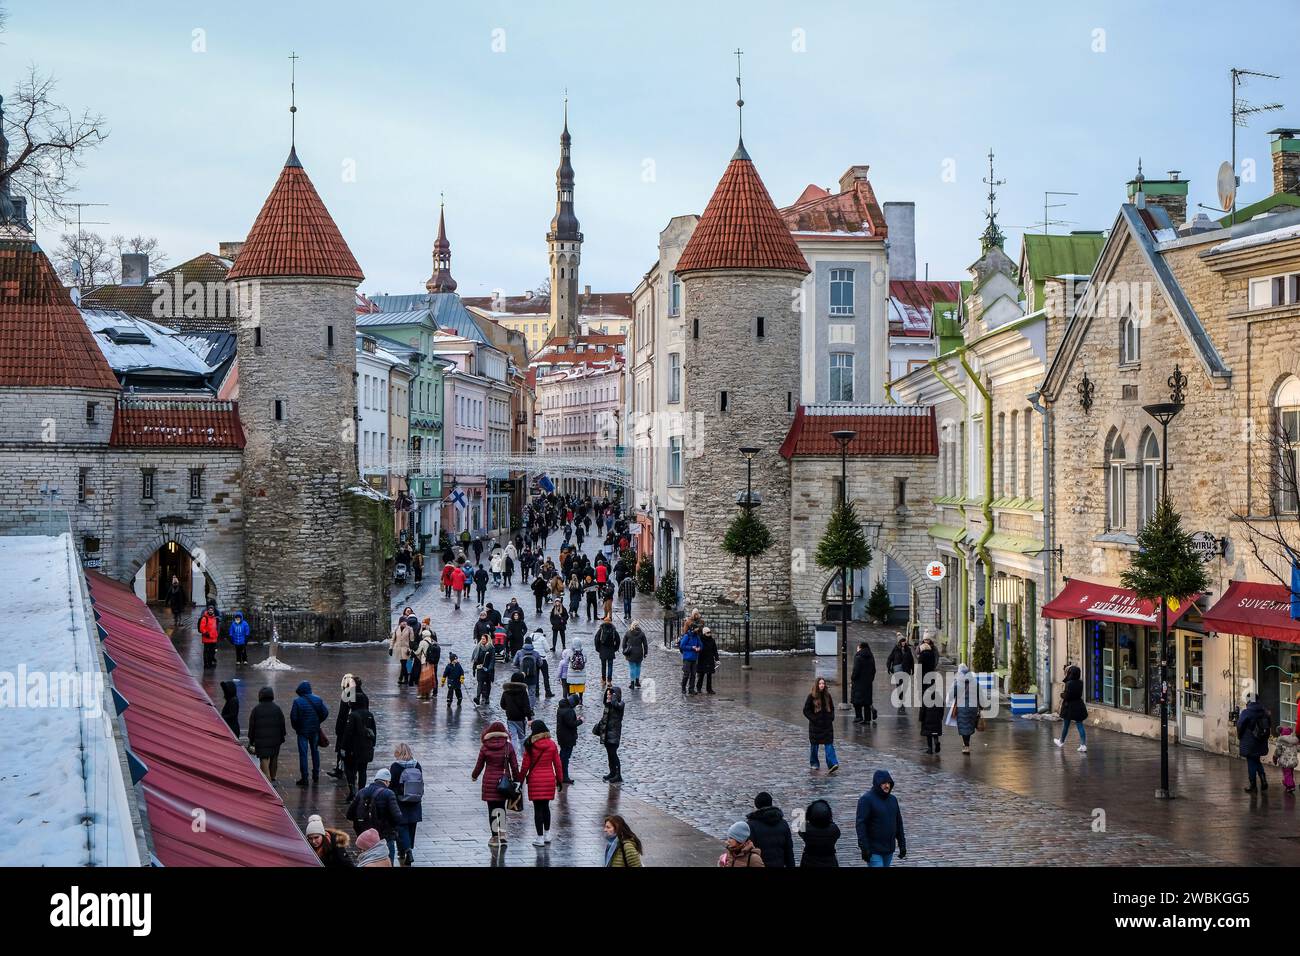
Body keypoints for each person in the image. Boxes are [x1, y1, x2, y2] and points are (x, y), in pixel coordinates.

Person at [471, 721, 520, 846]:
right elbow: (514, 765)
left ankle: (494, 838)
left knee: (492, 809)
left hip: (489, 781)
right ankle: (502, 834)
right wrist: (517, 779)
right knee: (501, 808)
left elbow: (479, 765)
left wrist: (474, 776)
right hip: (504, 781)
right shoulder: (508, 747)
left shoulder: (485, 747)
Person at [520, 720, 564, 846]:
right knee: (546, 807)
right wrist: (560, 780)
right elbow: (558, 764)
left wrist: (520, 779)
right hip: (549, 779)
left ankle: (539, 838)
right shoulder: (552, 745)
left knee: (537, 809)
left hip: (535, 780)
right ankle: (547, 834)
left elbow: (525, 766)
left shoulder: (530, 745)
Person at [346, 768, 402, 864]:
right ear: (386, 781)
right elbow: (397, 817)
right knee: (387, 862)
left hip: (366, 838)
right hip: (384, 837)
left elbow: (349, 815)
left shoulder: (361, 792)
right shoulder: (389, 794)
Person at [855, 770, 906, 867]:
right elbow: (861, 825)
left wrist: (902, 844)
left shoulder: (893, 800)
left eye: (888, 783)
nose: (887, 786)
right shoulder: (866, 800)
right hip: (874, 850)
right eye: (883, 783)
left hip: (889, 849)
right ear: (877, 784)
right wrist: (865, 848)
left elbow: (898, 823)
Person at [338, 688, 377, 801]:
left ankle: (352, 791)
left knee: (350, 770)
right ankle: (361, 792)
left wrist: (343, 748)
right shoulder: (369, 714)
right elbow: (374, 731)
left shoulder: (353, 715)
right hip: (366, 748)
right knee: (363, 770)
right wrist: (372, 744)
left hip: (353, 749)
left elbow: (348, 733)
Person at [389, 743, 424, 865]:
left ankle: (406, 850)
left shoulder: (395, 766)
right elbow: (421, 782)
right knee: (411, 826)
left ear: (398, 752)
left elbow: (391, 784)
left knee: (401, 826)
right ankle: (405, 850)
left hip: (400, 800)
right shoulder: (417, 765)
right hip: (415, 800)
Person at [289, 681, 329, 787]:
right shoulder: (318, 700)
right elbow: (325, 713)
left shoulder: (297, 702)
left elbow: (293, 717)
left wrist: (297, 728)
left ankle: (305, 778)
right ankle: (316, 775)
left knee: (303, 754)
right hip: (314, 731)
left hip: (302, 732)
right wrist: (318, 722)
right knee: (315, 752)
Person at [246, 686, 286, 783]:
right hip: (275, 740)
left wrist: (251, 740)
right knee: (274, 758)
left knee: (264, 758)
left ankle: (268, 782)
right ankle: (273, 778)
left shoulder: (256, 709)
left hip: (261, 741)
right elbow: (282, 724)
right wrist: (282, 737)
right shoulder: (277, 708)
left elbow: (252, 726)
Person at [746, 792, 795, 868]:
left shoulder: (751, 825)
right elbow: (789, 851)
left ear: (756, 805)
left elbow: (748, 851)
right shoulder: (783, 823)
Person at [1237, 692, 1273, 792]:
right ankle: (1263, 780)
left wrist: (1240, 736)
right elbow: (1269, 725)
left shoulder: (1246, 712)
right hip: (1261, 741)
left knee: (1251, 762)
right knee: (1256, 759)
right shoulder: (1264, 711)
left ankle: (1253, 785)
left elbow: (1240, 726)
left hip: (1250, 741)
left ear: (1248, 700)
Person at [803, 677, 840, 774]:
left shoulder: (828, 696)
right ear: (817, 685)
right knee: (814, 746)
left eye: (823, 683)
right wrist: (814, 719)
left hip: (827, 726)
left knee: (829, 745)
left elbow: (832, 708)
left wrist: (831, 717)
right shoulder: (811, 696)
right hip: (815, 727)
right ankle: (814, 763)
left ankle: (832, 764)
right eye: (820, 683)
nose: (822, 685)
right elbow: (806, 710)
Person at [1056, 664, 1089, 753]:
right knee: (1080, 725)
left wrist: (1062, 695)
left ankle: (1061, 741)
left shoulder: (1069, 683)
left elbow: (1067, 695)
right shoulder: (1080, 682)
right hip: (1079, 705)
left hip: (1069, 706)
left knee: (1066, 725)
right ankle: (1083, 745)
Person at [948, 663, 981, 753]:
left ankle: (966, 746)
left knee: (963, 726)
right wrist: (981, 707)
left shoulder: (957, 682)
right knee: (969, 725)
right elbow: (980, 695)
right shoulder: (975, 682)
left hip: (961, 708)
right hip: (973, 708)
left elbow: (951, 695)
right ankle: (966, 743)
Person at [798, 798, 840, 867]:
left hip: (809, 861)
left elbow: (800, 832)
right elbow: (837, 834)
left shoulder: (806, 829)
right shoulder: (833, 829)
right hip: (829, 861)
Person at [596, 685, 625, 783]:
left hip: (614, 734)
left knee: (613, 754)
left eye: (611, 694)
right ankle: (612, 772)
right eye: (607, 694)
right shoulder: (607, 705)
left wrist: (613, 699)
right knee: (609, 755)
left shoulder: (620, 704)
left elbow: (617, 705)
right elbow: (604, 719)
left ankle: (618, 775)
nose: (608, 696)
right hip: (607, 734)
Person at [501, 671, 534, 758]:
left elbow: (502, 704)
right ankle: (524, 756)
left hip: (510, 718)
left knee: (513, 738)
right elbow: (526, 706)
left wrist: (508, 708)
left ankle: (513, 756)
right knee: (522, 738)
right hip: (520, 719)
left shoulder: (506, 691)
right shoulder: (523, 692)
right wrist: (529, 718)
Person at [555, 693, 581, 784]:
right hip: (568, 737)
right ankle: (564, 776)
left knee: (563, 755)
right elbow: (571, 724)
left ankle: (560, 775)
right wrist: (580, 721)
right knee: (565, 757)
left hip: (561, 735)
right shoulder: (569, 711)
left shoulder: (561, 707)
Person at [851, 640, 877, 724]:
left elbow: (856, 670)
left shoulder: (858, 656)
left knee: (857, 701)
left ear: (860, 647)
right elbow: (874, 670)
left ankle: (859, 717)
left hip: (858, 682)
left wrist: (853, 678)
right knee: (867, 701)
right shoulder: (871, 656)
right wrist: (870, 679)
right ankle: (867, 719)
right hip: (868, 683)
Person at [513, 638, 544, 709]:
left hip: (521, 676)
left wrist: (519, 668)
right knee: (532, 694)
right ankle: (531, 708)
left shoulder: (519, 652)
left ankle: (521, 707)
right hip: (532, 676)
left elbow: (514, 663)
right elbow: (540, 664)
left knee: (521, 692)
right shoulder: (535, 653)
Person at [886, 637, 914, 713]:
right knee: (899, 685)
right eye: (902, 641)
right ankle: (901, 698)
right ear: (899, 642)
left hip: (906, 669)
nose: (903, 643)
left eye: (904, 641)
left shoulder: (908, 650)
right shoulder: (895, 649)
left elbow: (911, 660)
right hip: (897, 668)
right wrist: (888, 667)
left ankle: (902, 696)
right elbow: (890, 658)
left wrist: (913, 669)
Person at [594, 615, 620, 688]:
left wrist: (598, 648)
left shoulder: (601, 630)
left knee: (603, 666)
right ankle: (609, 681)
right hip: (611, 650)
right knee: (610, 666)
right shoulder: (613, 630)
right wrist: (615, 648)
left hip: (603, 650)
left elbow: (596, 639)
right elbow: (618, 640)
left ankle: (603, 680)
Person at [416, 626, 441, 700]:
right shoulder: (433, 642)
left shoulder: (422, 642)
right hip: (432, 663)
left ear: (423, 635)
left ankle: (423, 694)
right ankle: (431, 693)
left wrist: (412, 652)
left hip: (425, 663)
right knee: (430, 678)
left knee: (423, 679)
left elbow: (418, 652)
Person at [1272, 725, 1298, 794]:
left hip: (1285, 760)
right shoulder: (1294, 739)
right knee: (1290, 773)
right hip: (1293, 760)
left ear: (1281, 732)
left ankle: (1290, 786)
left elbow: (1278, 751)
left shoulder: (1280, 740)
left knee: (1287, 773)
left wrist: (1275, 757)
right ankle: (1287, 782)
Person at [622, 621, 648, 689]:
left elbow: (623, 643)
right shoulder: (642, 634)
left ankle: (632, 683)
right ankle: (637, 681)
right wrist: (645, 653)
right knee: (638, 667)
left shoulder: (628, 633)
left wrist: (624, 651)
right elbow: (645, 644)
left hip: (630, 652)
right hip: (639, 652)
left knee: (632, 668)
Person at [390, 616, 415, 687]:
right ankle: (401, 678)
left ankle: (406, 679)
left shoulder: (410, 629)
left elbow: (412, 641)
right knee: (403, 664)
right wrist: (390, 648)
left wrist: (411, 650)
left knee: (404, 664)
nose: (404, 623)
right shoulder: (396, 629)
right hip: (398, 649)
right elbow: (393, 639)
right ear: (400, 622)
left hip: (406, 649)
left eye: (405, 621)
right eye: (403, 621)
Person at [678, 624, 703, 695]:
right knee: (686, 674)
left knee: (693, 674)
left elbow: (701, 645)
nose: (697, 631)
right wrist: (691, 647)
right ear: (692, 629)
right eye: (696, 629)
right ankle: (683, 687)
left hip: (694, 658)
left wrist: (699, 648)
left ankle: (691, 689)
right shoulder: (687, 636)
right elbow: (682, 646)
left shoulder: (697, 636)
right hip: (687, 658)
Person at [471, 634, 496, 706]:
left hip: (488, 670)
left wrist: (489, 668)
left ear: (487, 640)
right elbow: (476, 659)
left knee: (488, 684)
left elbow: (492, 660)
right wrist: (474, 668)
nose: (482, 640)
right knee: (480, 683)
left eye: (484, 639)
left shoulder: (491, 648)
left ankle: (487, 698)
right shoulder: (478, 647)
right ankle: (478, 698)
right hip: (480, 669)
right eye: (481, 639)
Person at [695, 626, 719, 695]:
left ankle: (709, 689)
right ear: (704, 633)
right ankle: (698, 688)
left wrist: (717, 659)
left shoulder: (712, 640)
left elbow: (715, 650)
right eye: (708, 633)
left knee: (709, 675)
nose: (709, 634)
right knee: (701, 675)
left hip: (710, 659)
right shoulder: (700, 639)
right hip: (702, 659)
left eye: (710, 632)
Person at [563, 639, 588, 703]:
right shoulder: (583, 652)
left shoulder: (570, 652)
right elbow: (586, 661)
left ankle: (572, 701)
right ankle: (580, 699)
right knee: (580, 686)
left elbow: (566, 661)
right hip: (581, 674)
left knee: (572, 688)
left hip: (572, 674)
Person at [199, 604, 220, 668]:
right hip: (207, 638)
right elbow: (201, 628)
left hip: (213, 639)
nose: (211, 611)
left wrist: (216, 636)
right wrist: (206, 633)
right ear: (207, 610)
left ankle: (210, 663)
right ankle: (206, 664)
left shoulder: (214, 618)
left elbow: (215, 628)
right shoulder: (204, 618)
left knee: (212, 652)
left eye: (212, 610)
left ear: (213, 611)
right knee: (206, 652)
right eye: (209, 610)